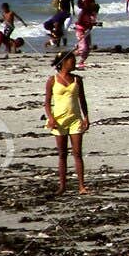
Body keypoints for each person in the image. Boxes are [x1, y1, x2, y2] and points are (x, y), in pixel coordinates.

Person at [45, 50, 89, 195]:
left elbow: (82, 101)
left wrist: (86, 117)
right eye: (71, 61)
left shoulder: (77, 80)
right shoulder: (52, 80)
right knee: (62, 154)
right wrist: (50, 118)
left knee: (77, 153)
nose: (74, 63)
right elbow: (46, 103)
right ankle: (62, 186)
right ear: (63, 62)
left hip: (75, 119)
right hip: (59, 121)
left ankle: (81, 186)